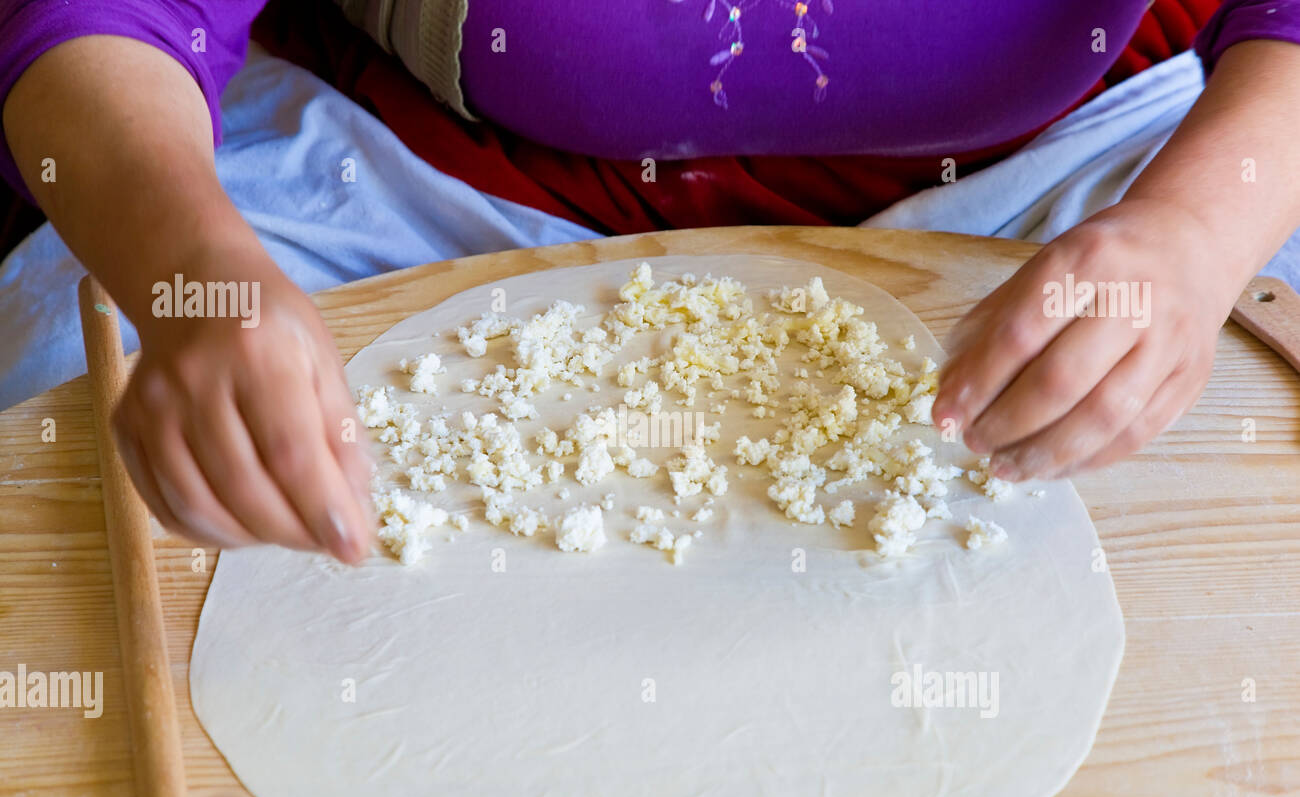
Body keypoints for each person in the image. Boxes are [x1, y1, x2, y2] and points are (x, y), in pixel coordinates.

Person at [2, 1, 1297, 563]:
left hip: (1079, 168)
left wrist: (1191, 240)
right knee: (63, 364)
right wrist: (193, 278)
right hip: (435, 176)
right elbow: (100, 13)